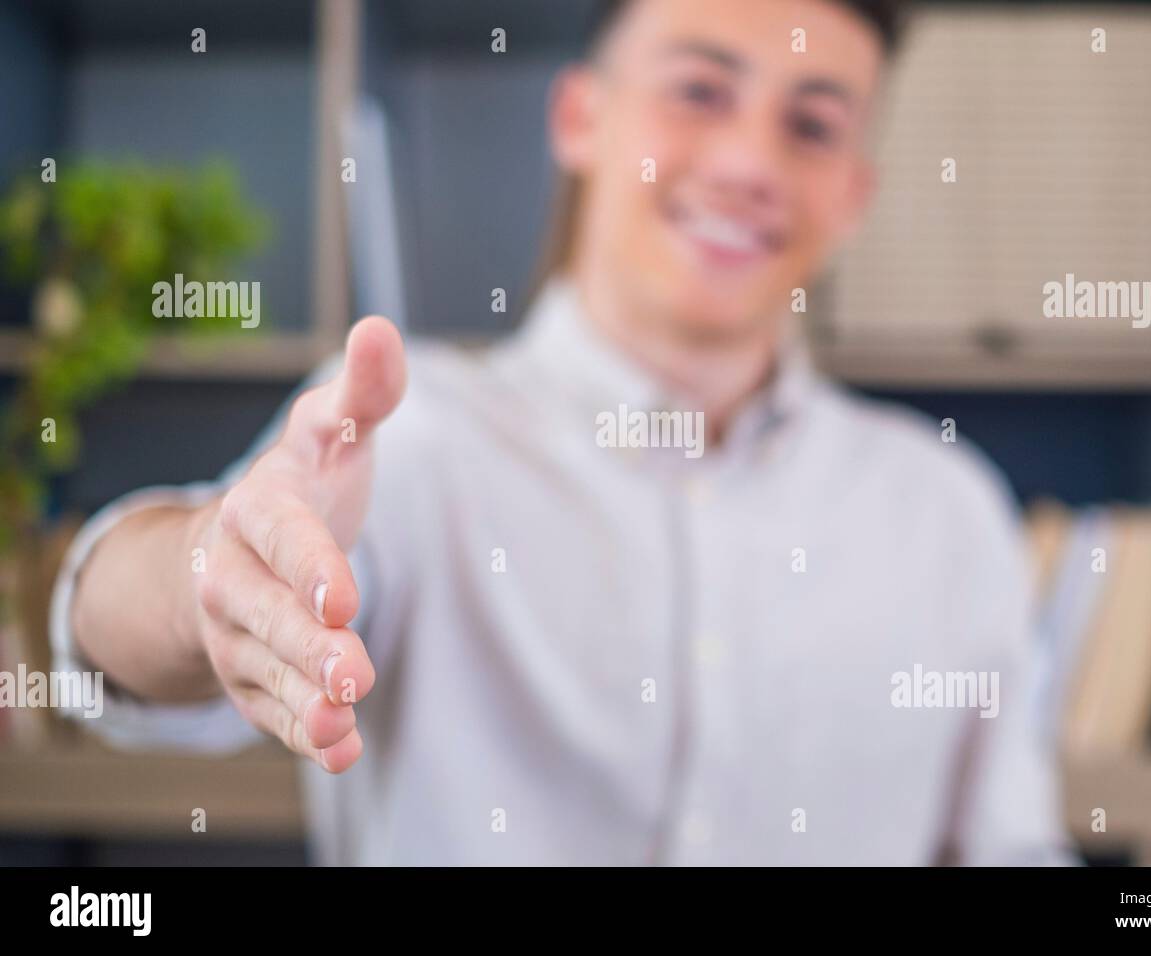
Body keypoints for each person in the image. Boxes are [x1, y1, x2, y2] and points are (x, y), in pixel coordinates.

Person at [52, 0, 1075, 865]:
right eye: (700, 91)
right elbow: (111, 644)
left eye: (810, 125)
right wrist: (208, 573)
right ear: (582, 117)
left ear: (852, 193)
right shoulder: (408, 438)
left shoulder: (946, 511)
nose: (748, 160)